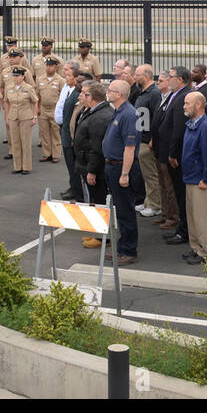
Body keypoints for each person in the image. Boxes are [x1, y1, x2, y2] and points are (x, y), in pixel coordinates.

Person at [101, 79, 141, 266]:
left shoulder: (129, 114)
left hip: (120, 167)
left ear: (119, 94)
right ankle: (122, 246)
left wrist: (124, 174)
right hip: (112, 165)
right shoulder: (119, 111)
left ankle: (129, 250)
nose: (108, 92)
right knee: (120, 209)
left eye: (111, 90)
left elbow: (130, 148)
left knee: (126, 210)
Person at [180, 91, 207, 265]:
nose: (184, 106)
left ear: (198, 105)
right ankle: (196, 248)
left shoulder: (205, 127)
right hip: (191, 178)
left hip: (200, 180)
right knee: (193, 217)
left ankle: (205, 252)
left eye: (187, 103)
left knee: (201, 218)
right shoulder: (192, 124)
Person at [73, 82, 113, 234]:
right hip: (86, 163)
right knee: (94, 200)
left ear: (92, 97)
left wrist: (91, 171)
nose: (81, 96)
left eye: (84, 93)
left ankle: (102, 236)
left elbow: (96, 149)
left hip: (94, 168)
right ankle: (98, 233)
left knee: (98, 201)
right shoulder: (91, 111)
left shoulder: (99, 117)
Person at [158, 67, 192, 245]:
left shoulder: (183, 97)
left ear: (180, 80)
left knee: (181, 193)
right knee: (178, 194)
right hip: (169, 152)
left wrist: (172, 153)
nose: (167, 79)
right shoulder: (176, 95)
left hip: (176, 156)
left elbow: (178, 128)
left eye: (170, 77)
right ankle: (181, 228)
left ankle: (184, 230)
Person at [132, 64, 163, 218]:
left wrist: (153, 138)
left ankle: (155, 205)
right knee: (146, 174)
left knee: (151, 174)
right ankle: (149, 201)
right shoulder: (142, 92)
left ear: (145, 76)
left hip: (147, 140)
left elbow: (157, 117)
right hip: (141, 138)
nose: (134, 77)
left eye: (137, 75)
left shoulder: (154, 94)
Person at [56, 62, 85, 200]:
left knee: (74, 166)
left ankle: (77, 193)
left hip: (70, 135)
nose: (65, 77)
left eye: (68, 75)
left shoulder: (77, 93)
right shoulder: (66, 88)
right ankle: (73, 188)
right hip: (64, 130)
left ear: (75, 77)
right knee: (69, 166)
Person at [5, 66, 38, 174]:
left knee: (25, 142)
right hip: (13, 117)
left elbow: (35, 102)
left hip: (25, 117)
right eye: (14, 76)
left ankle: (26, 167)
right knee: (15, 142)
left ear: (23, 76)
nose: (15, 78)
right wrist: (7, 117)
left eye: (17, 76)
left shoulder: (28, 88)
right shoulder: (9, 88)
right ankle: (17, 166)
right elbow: (6, 102)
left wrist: (34, 116)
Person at [36, 57, 66, 162]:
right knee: (44, 133)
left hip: (55, 109)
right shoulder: (40, 79)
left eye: (51, 65)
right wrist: (37, 108)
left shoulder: (60, 80)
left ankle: (56, 155)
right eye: (47, 65)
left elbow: (63, 97)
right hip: (43, 109)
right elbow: (37, 95)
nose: (48, 68)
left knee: (55, 132)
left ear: (56, 67)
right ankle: (46, 153)